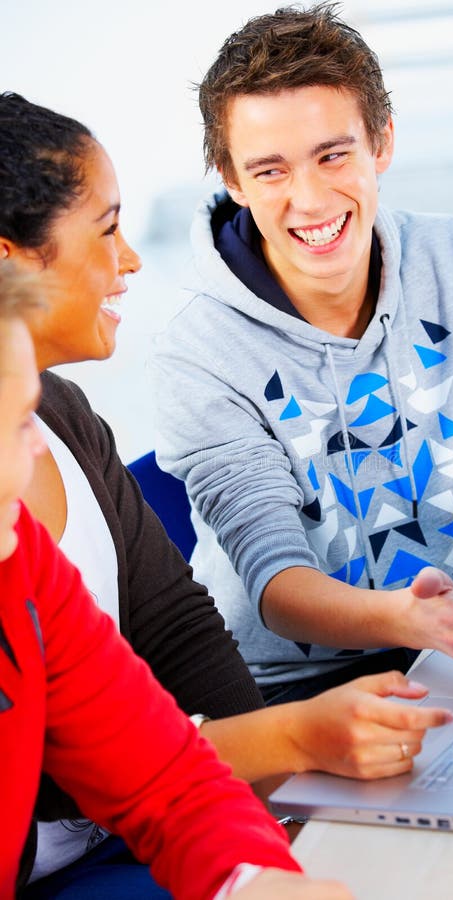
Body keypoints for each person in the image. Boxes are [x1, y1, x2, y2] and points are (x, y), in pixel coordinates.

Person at [0, 91, 452, 895]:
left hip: (135, 824)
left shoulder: (33, 504)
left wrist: (265, 850)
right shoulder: (201, 350)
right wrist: (283, 739)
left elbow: (146, 746)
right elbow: (57, 761)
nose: (132, 259)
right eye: (107, 229)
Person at [149, 1, 453, 705]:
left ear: (381, 142)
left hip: (443, 647)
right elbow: (274, 579)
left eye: (332, 155)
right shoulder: (197, 350)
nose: (309, 200)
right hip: (285, 694)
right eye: (270, 171)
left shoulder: (450, 257)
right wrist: (412, 621)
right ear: (231, 180)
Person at [0, 263, 353, 900]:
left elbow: (151, 765)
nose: (39, 449)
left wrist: (252, 876)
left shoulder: (20, 554)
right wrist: (291, 737)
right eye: (20, 421)